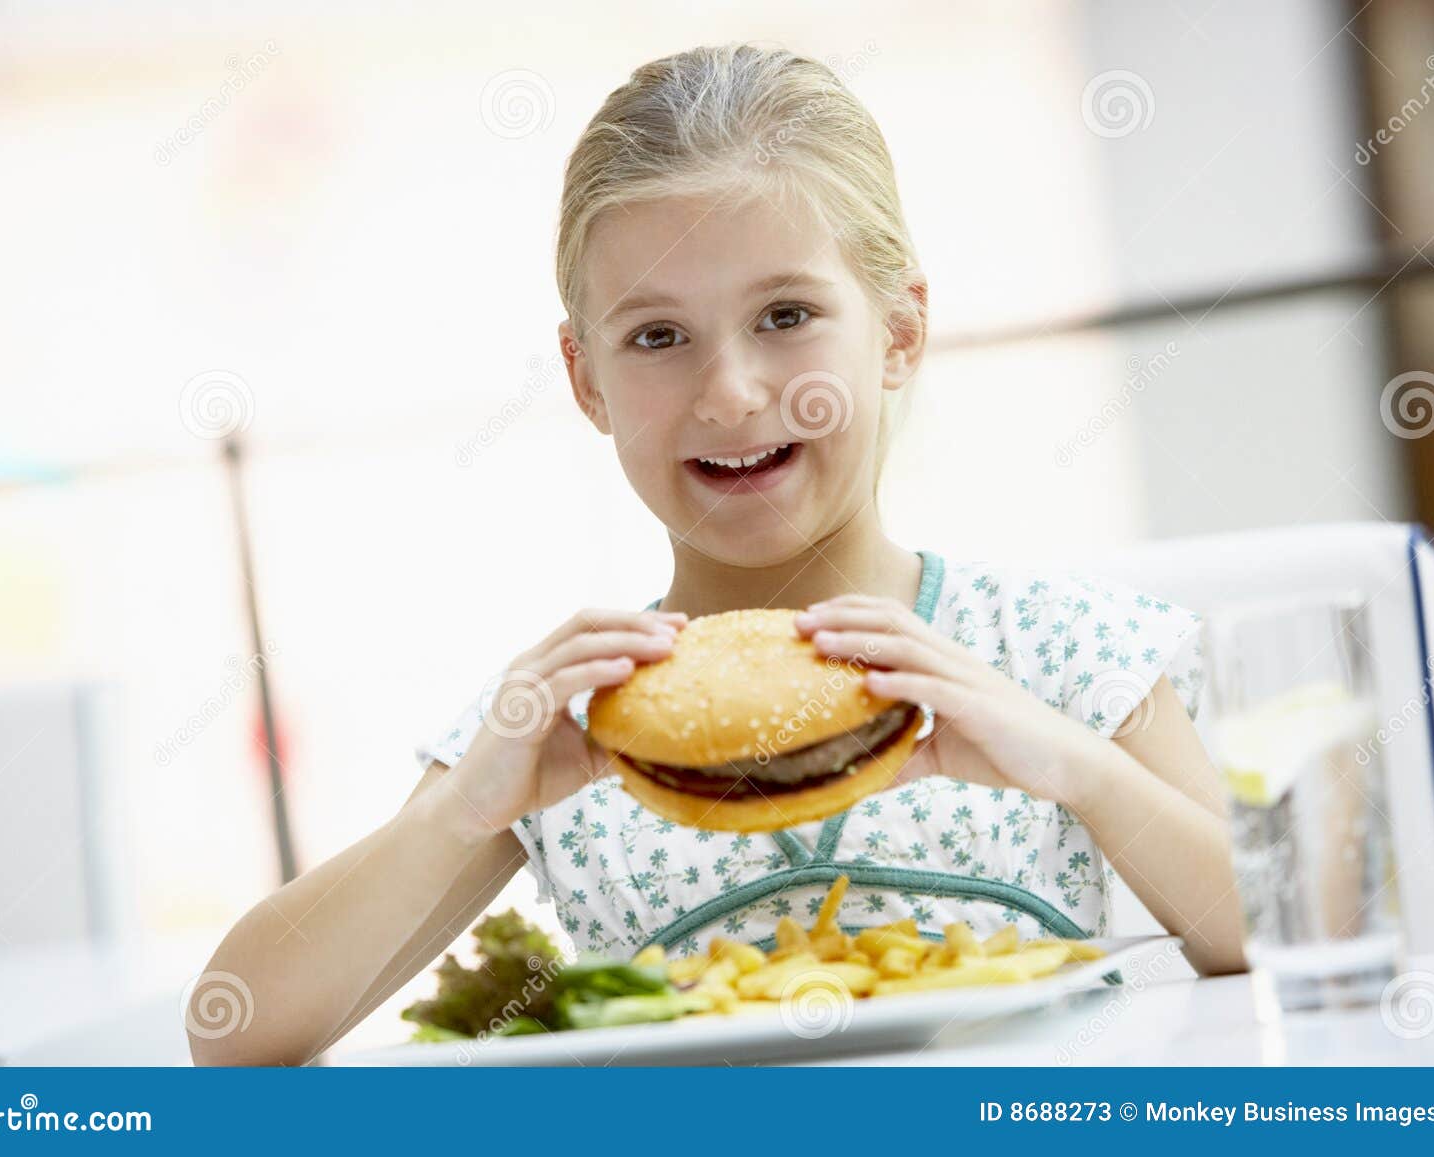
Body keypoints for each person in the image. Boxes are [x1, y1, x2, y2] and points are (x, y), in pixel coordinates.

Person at [190, 42, 1245, 1067]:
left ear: (898, 331)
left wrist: (1080, 768)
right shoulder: (567, 714)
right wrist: (460, 811)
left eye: (786, 315)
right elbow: (235, 1033)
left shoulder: (1053, 649)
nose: (730, 394)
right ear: (585, 378)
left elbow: (1270, 930)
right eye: (657, 336)